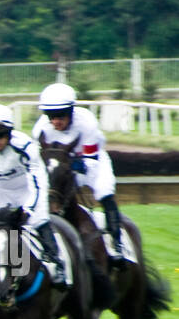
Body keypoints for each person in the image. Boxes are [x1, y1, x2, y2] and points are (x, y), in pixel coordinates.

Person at [0, 102, 66, 301]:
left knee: (39, 220)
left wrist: (29, 209)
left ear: (9, 132)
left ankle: (57, 265)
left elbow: (38, 181)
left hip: (26, 191)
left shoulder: (26, 147)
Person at [31, 82, 130, 268]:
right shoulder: (40, 129)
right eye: (51, 116)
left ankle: (117, 245)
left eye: (60, 115)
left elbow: (91, 163)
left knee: (103, 191)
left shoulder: (87, 124)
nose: (55, 121)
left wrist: (71, 167)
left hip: (91, 162)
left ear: (71, 111)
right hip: (59, 167)